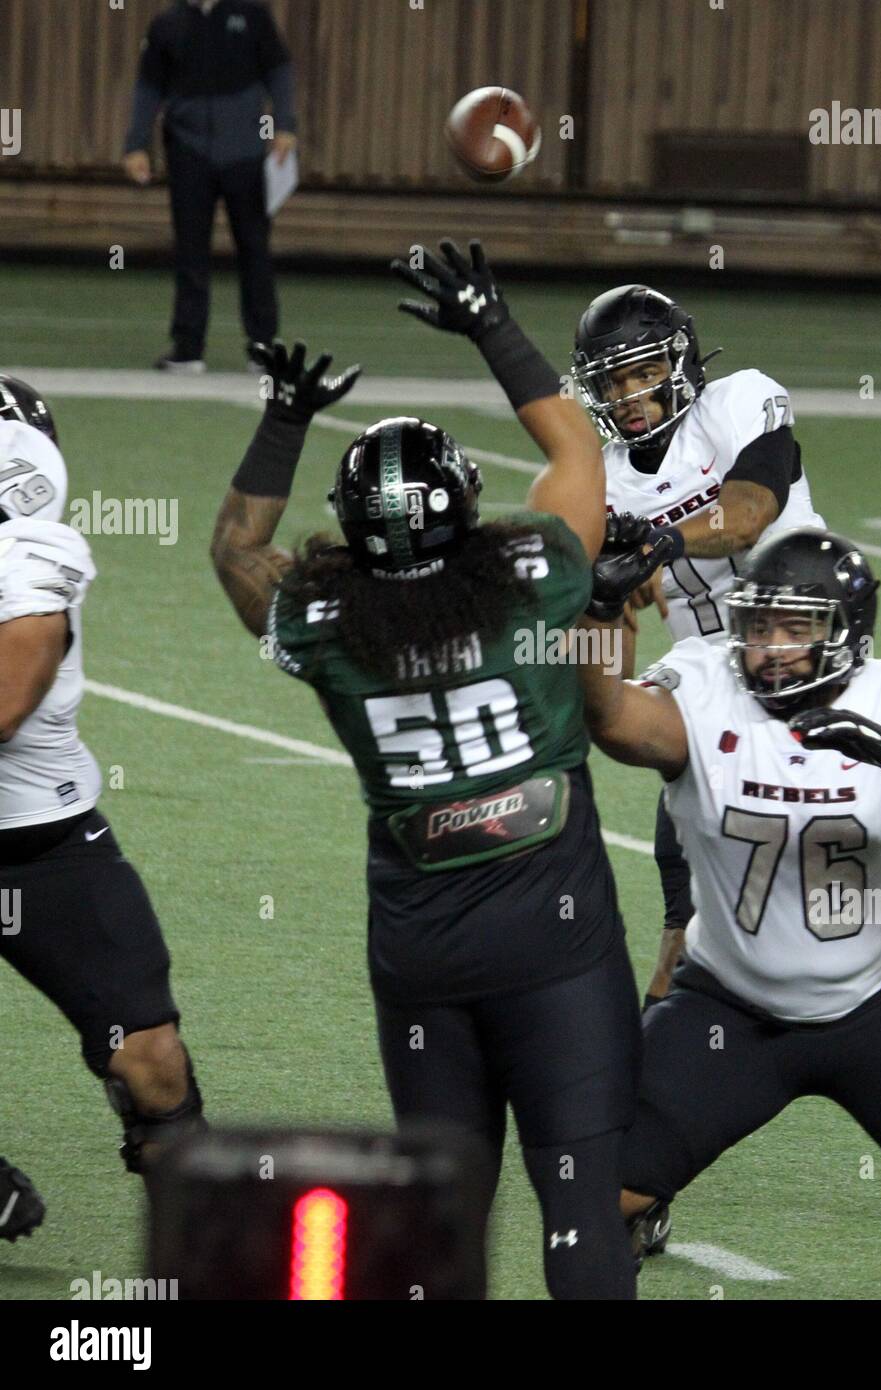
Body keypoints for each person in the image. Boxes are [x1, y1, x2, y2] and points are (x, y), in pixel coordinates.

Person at [209, 241, 667, 1300]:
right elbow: (579, 459)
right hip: (556, 952)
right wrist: (489, 324)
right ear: (465, 510)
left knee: (438, 1226)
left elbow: (237, 549)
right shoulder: (533, 579)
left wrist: (284, 415)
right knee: (579, 1215)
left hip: (422, 957)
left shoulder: (327, 623)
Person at [579, 525, 881, 1297]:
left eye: (796, 627)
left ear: (847, 632)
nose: (769, 647)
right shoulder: (704, 681)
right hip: (727, 1005)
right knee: (592, 1202)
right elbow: (611, 719)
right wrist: (598, 608)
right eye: (757, 625)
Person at [571, 286, 824, 1006]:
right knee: (683, 897)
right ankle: (666, 1030)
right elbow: (609, 675)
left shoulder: (738, 403)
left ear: (677, 359)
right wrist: (602, 596)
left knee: (816, 895)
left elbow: (746, 515)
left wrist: (659, 543)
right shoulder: (606, 482)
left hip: (807, 658)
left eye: (639, 373)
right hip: (708, 685)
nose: (625, 395)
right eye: (610, 381)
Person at [0, 376, 205, 1224]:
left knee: (149, 1057)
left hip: (41, 841)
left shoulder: (33, 554)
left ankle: (201, 1242)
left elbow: (5, 705)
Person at [123, 0, 298, 373]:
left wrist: (285, 124)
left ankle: (264, 347)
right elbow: (148, 88)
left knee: (254, 248)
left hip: (245, 154)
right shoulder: (166, 24)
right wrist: (136, 144)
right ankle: (188, 348)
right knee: (190, 251)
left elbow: (279, 71)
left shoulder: (252, 15)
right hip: (188, 153)